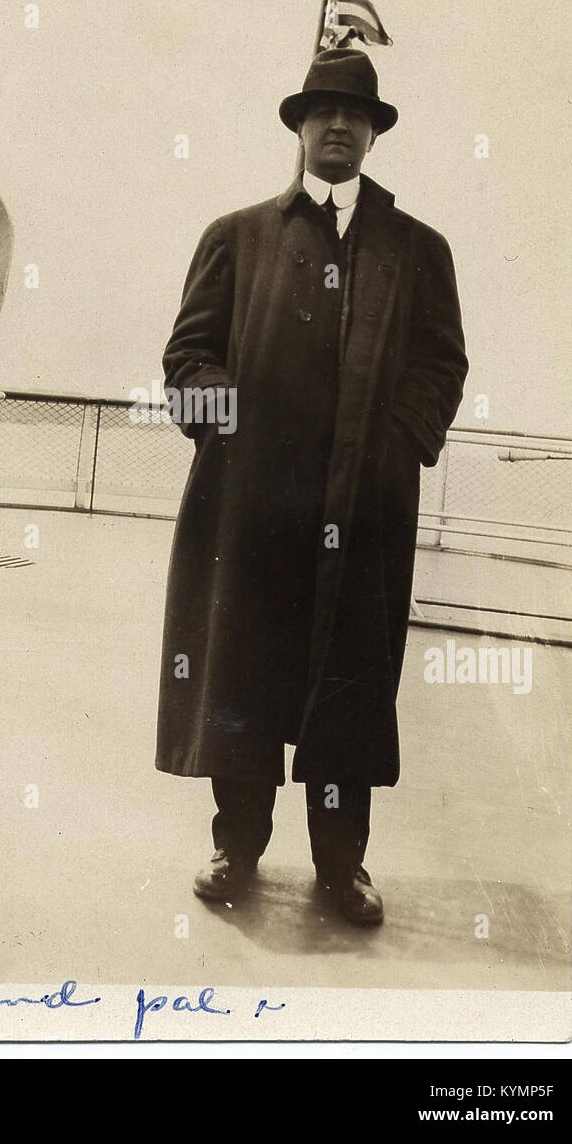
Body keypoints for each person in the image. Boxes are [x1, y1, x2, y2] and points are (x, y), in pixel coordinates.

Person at [156, 48, 468, 924]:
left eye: (356, 115)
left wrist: (391, 448)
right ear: (298, 126)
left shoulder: (416, 250)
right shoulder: (237, 236)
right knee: (242, 675)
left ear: (373, 134)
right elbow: (189, 354)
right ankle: (236, 847)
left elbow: (439, 364)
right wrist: (230, 433)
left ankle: (340, 869)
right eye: (322, 111)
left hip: (359, 511)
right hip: (249, 508)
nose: (339, 125)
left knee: (346, 683)